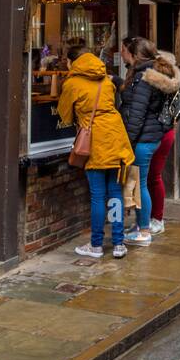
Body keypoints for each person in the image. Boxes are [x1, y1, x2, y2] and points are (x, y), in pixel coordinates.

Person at [56, 39, 134, 260]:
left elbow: (64, 115)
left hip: (96, 143)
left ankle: (96, 245)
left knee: (98, 196)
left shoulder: (72, 84)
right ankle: (119, 243)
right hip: (116, 138)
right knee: (115, 194)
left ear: (72, 62)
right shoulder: (106, 80)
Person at [119, 36, 180, 246]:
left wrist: (128, 141)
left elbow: (137, 113)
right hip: (152, 135)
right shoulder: (151, 73)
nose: (121, 54)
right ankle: (142, 225)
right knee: (142, 183)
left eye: (123, 50)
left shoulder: (144, 77)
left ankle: (144, 231)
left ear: (133, 53)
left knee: (140, 184)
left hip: (143, 138)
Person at [145, 50, 180, 235]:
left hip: (156, 132)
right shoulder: (174, 85)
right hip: (168, 132)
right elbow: (178, 113)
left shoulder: (154, 86)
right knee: (154, 176)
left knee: (151, 177)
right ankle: (155, 217)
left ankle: (156, 218)